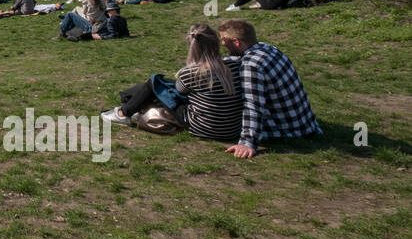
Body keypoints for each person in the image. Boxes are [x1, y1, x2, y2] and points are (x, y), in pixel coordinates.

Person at [102, 25, 243, 140]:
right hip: (232, 129)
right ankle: (128, 102)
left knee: (154, 82)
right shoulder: (235, 65)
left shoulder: (193, 73)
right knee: (156, 85)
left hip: (203, 127)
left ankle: (123, 113)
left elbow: (178, 91)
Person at [220, 20, 322, 159]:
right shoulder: (266, 48)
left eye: (224, 40)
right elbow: (238, 58)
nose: (222, 44)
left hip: (285, 129)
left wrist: (247, 142)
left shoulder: (251, 66)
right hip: (304, 122)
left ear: (237, 42)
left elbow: (253, 104)